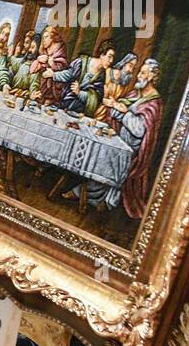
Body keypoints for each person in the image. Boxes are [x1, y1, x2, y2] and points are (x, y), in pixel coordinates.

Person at [68, 58, 165, 217]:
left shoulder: (154, 104)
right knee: (96, 150)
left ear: (152, 77)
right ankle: (88, 193)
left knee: (104, 158)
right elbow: (114, 112)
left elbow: (140, 130)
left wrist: (125, 113)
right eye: (139, 72)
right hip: (118, 138)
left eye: (142, 73)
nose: (138, 75)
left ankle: (93, 196)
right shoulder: (135, 93)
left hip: (132, 150)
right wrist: (116, 108)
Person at [56, 40, 115, 116]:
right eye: (109, 57)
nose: (111, 61)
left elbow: (97, 97)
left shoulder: (101, 75)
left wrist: (79, 93)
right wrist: (54, 75)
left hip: (79, 110)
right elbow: (68, 74)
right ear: (102, 54)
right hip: (65, 100)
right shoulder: (82, 62)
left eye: (112, 58)